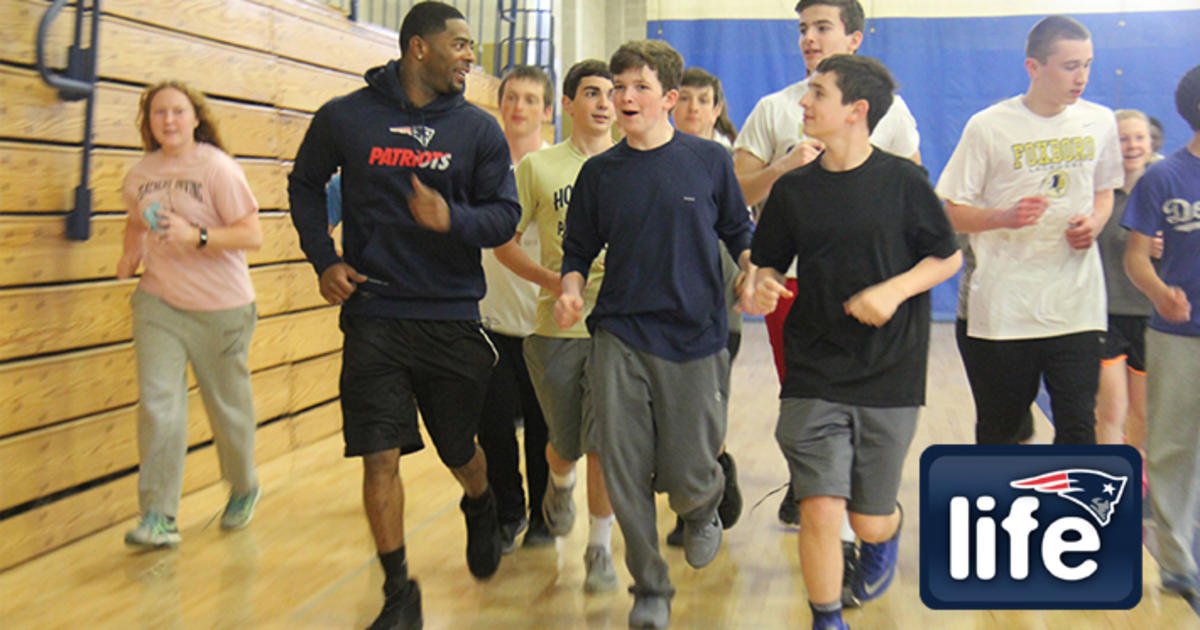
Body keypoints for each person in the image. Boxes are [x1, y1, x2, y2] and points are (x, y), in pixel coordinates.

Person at [287, 3, 521, 628]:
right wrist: (323, 259)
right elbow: (304, 183)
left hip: (449, 316)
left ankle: (480, 499)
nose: (472, 56)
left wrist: (455, 221)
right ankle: (399, 593)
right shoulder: (346, 117)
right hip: (374, 311)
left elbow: (505, 215)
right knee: (378, 454)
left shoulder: (479, 130)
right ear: (419, 48)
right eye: (462, 44)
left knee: (457, 450)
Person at [751, 54, 959, 630]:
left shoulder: (904, 181)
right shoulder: (793, 190)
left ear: (856, 111)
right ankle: (826, 618)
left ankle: (881, 535)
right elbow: (766, 264)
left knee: (867, 519)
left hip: (889, 370)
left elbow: (947, 255)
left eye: (818, 93)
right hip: (814, 367)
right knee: (819, 505)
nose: (804, 103)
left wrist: (893, 291)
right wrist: (760, 287)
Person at [557, 40, 756, 629]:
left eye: (639, 87)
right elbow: (578, 250)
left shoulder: (709, 161)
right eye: (619, 87)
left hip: (696, 336)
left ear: (669, 98)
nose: (624, 98)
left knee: (691, 468)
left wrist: (751, 272)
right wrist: (570, 289)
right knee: (622, 465)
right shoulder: (600, 174)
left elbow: (739, 232)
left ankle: (702, 504)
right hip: (620, 332)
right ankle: (650, 586)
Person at [734, 0, 922, 545]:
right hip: (793, 280)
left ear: (855, 38)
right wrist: (783, 168)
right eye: (802, 29)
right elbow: (740, 192)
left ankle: (858, 504)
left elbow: (913, 195)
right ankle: (818, 488)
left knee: (864, 400)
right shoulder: (774, 109)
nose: (809, 38)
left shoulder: (891, 112)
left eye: (822, 27)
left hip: (865, 283)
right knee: (805, 393)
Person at [936, 15, 1121, 448]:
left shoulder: (1100, 122)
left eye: (1088, 64)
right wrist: (1003, 217)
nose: (1082, 77)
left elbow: (1104, 192)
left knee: (1078, 426)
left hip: (1075, 303)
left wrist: (1093, 222)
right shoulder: (989, 126)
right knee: (1003, 431)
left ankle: (1074, 515)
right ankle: (1003, 511)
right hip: (1006, 308)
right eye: (1070, 66)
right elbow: (953, 211)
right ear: (1033, 67)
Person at [117, 80, 263, 549]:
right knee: (159, 406)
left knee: (228, 413)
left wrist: (197, 237)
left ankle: (243, 485)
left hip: (221, 308)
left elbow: (251, 233)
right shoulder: (140, 174)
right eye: (159, 113)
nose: (169, 121)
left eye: (178, 112)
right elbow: (136, 220)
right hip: (159, 302)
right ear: (149, 122)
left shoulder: (217, 169)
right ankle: (158, 516)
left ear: (195, 117)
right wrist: (129, 257)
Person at [493, 58, 620, 592]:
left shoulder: (636, 163)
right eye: (591, 92)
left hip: (620, 331)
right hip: (557, 329)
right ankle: (558, 484)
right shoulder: (539, 169)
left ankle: (599, 547)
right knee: (564, 445)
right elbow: (502, 244)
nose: (604, 102)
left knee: (605, 443)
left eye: (611, 93)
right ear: (567, 104)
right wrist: (554, 282)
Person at [1123, 63, 1200, 608]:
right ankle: (1176, 562)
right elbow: (1135, 260)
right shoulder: (1162, 178)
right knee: (1175, 448)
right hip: (1179, 336)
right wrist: (1159, 292)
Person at [665, 66, 745, 547]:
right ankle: (710, 478)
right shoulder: (651, 155)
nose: (693, 108)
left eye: (704, 100)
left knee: (700, 414)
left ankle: (699, 505)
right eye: (686, 99)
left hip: (716, 312)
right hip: (661, 310)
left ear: (717, 109)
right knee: (672, 417)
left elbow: (744, 236)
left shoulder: (730, 165)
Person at [478, 65, 553, 551]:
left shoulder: (560, 168)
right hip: (487, 317)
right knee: (493, 426)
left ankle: (544, 516)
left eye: (530, 99)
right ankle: (508, 511)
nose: (519, 107)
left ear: (547, 111)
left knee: (544, 426)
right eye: (511, 97)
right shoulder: (480, 167)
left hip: (544, 320)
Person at [1095, 110, 1158, 448]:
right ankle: (1110, 476)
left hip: (1151, 316)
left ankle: (1139, 480)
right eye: (1123, 138)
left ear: (1151, 144)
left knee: (1144, 412)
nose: (1132, 146)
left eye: (1139, 138)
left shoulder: (1164, 191)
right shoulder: (1099, 193)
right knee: (1111, 410)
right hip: (1105, 314)